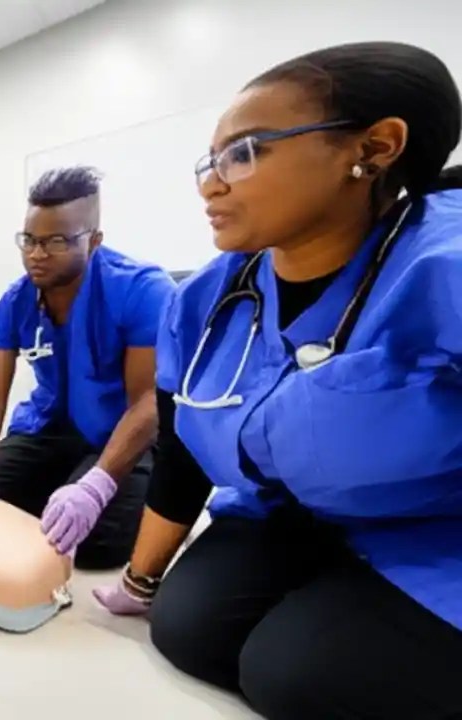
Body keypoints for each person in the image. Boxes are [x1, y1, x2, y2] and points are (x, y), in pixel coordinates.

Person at [93, 42, 462, 719]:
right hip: (294, 514)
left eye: (245, 152)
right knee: (189, 629)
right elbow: (180, 448)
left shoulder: (446, 266)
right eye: (210, 161)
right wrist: (140, 581)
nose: (211, 184)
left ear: (374, 148)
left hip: (438, 528)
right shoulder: (205, 298)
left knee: (296, 677)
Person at [0, 167, 174, 570]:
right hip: (52, 426)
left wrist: (96, 485)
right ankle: (56, 490)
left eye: (56, 241)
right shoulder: (15, 303)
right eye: (29, 240)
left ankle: (115, 494)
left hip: (123, 432)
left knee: (97, 543)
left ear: (94, 240)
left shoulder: (142, 290)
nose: (37, 254)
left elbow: (148, 401)